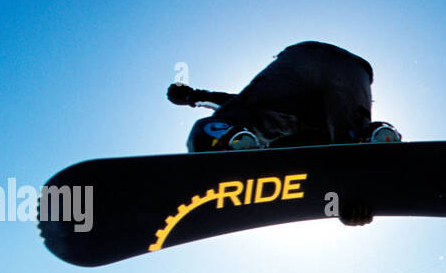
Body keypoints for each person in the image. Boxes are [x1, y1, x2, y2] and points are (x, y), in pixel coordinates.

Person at [167, 41, 401, 224]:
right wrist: (354, 197)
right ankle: (373, 139)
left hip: (297, 64)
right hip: (354, 73)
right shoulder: (327, 145)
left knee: (228, 123)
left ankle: (232, 141)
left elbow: (234, 104)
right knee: (350, 141)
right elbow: (335, 178)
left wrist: (192, 96)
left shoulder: (268, 123)